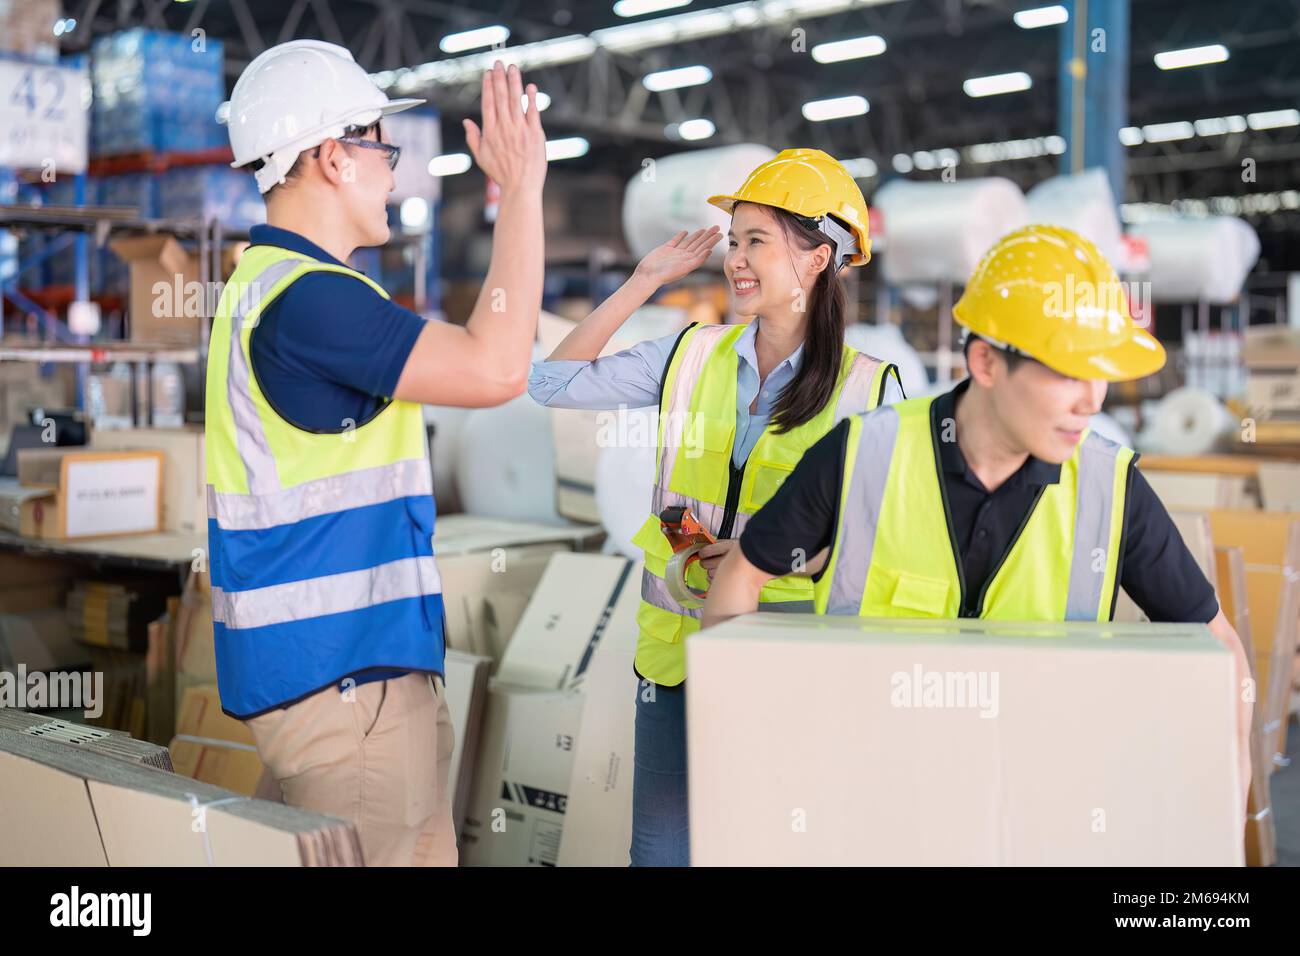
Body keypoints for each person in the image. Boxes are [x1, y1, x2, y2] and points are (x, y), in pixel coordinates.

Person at [703, 224, 1254, 806]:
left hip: (1032, 804)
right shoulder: (866, 453)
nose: (1092, 400)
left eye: (1101, 374)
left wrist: (1230, 786)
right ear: (987, 363)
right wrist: (738, 739)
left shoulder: (1108, 487)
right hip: (873, 797)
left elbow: (1216, 645)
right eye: (1068, 371)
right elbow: (743, 574)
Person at [204, 40, 547, 865]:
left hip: (352, 681)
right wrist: (522, 190)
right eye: (380, 148)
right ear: (330, 156)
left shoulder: (276, 288)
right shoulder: (312, 302)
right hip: (345, 689)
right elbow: (497, 366)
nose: (394, 170)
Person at [529, 148, 902, 865]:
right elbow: (550, 383)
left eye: (756, 240)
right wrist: (644, 280)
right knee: (661, 853)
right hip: (674, 660)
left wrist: (769, 558)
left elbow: (882, 543)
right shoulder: (689, 355)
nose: (736, 258)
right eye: (734, 241)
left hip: (786, 665)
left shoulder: (870, 390)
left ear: (819, 257)